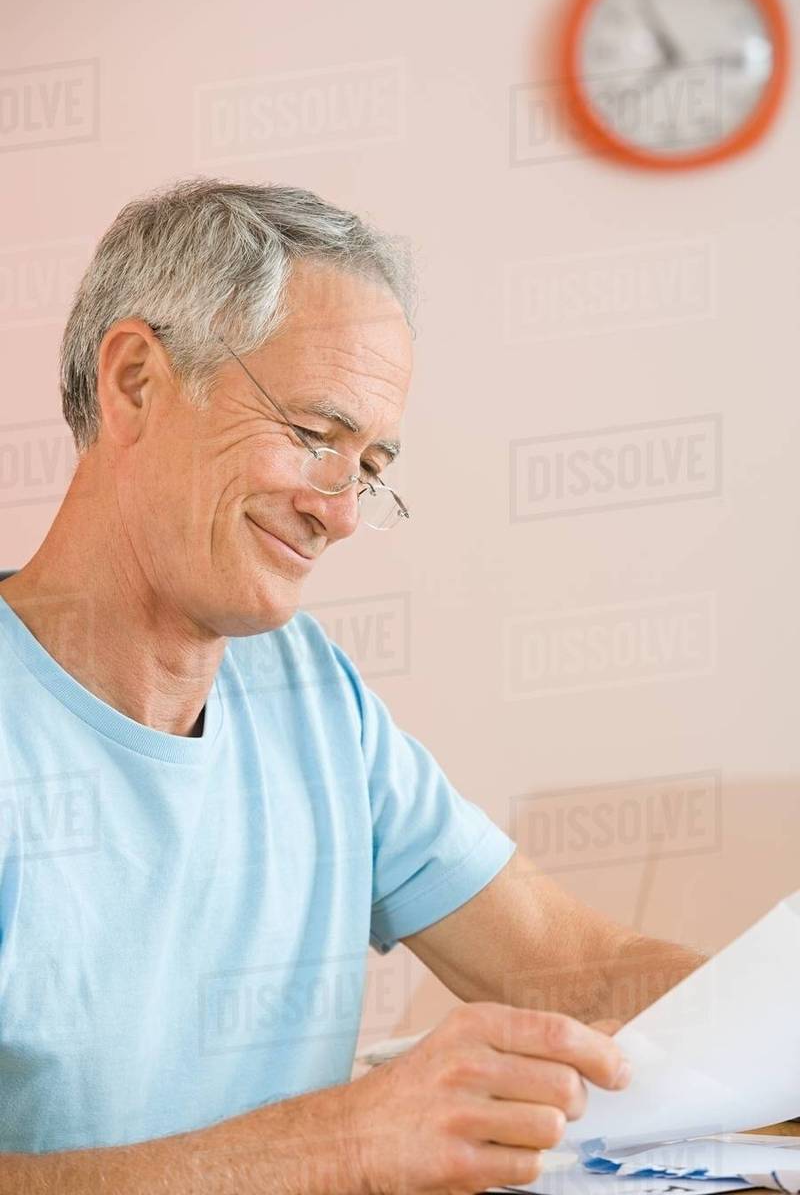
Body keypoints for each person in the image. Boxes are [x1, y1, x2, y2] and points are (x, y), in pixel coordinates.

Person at [0, 178, 704, 1194]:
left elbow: (578, 972)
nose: (338, 513)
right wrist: (340, 1146)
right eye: (312, 435)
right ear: (137, 383)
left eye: (367, 467)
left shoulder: (305, 688)